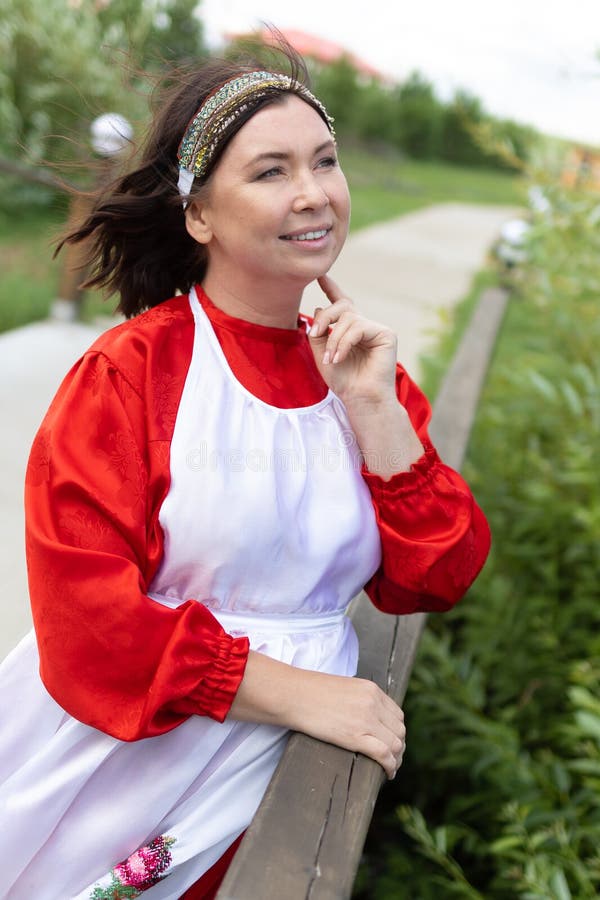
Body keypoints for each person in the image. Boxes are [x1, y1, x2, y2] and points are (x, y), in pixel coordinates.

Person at [0, 43, 491, 900]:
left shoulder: (359, 369)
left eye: (325, 161)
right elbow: (85, 626)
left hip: (272, 771)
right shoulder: (131, 375)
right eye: (271, 171)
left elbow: (437, 575)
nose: (313, 193)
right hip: (123, 753)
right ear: (199, 216)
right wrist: (295, 693)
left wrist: (373, 408)